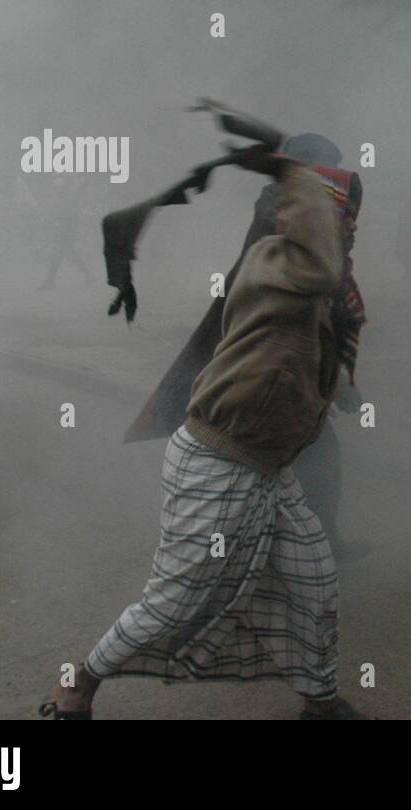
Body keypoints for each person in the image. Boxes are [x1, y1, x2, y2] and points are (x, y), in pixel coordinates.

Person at [42, 138, 363, 719]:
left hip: (268, 464)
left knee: (314, 576)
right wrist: (293, 174)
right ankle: (79, 686)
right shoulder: (275, 262)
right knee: (174, 602)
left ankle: (319, 701)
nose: (287, 215)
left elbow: (318, 340)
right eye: (318, 211)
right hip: (219, 459)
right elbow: (320, 264)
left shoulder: (317, 282)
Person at [124, 134, 367, 557]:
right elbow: (304, 312)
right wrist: (338, 384)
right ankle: (276, 548)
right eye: (324, 170)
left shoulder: (302, 220)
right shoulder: (287, 221)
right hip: (267, 372)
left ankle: (294, 546)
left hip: (276, 371)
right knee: (306, 458)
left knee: (302, 459)